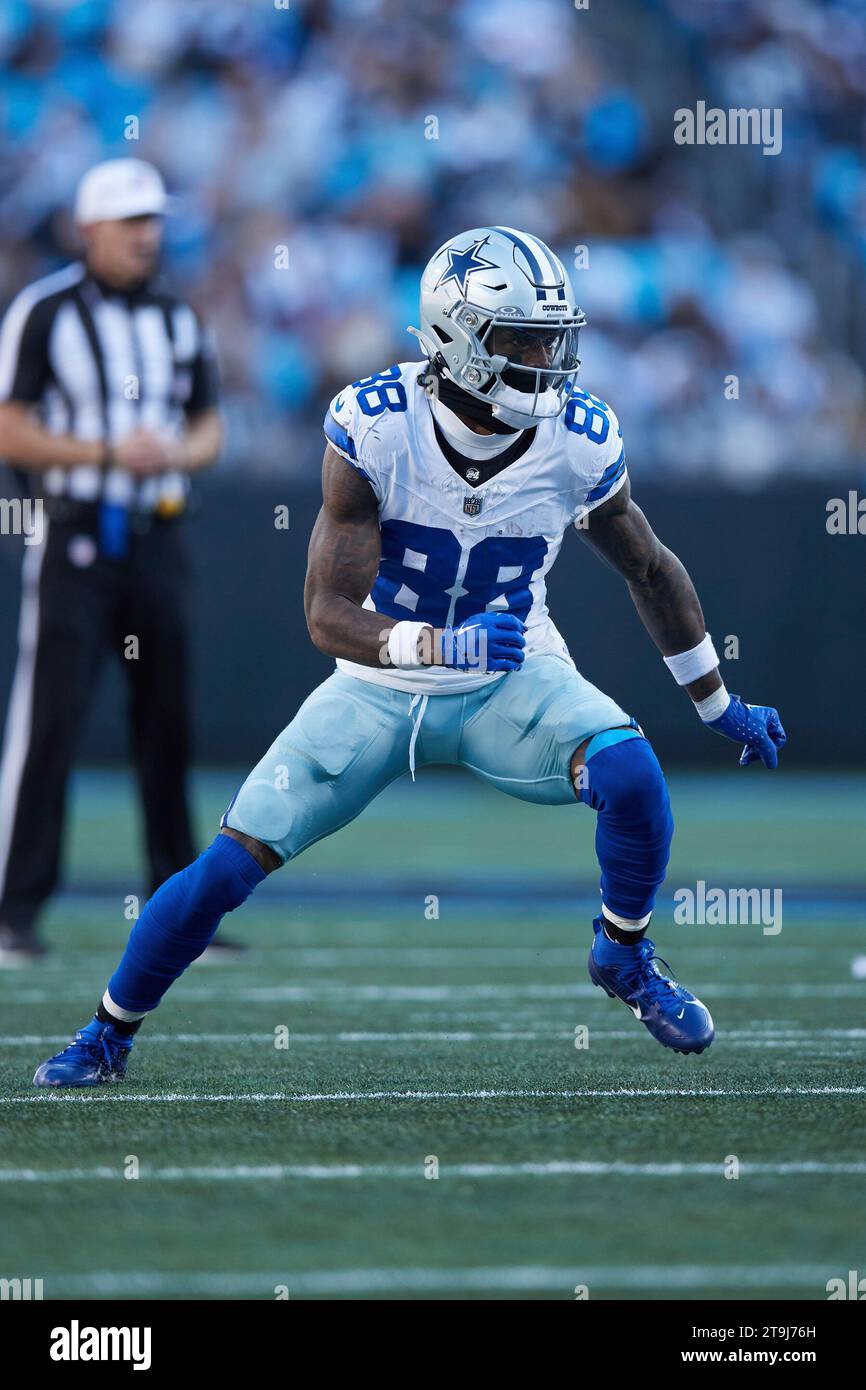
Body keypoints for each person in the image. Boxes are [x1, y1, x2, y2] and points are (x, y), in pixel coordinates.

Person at [31, 225, 785, 1086]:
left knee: (634, 777)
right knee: (223, 871)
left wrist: (715, 701)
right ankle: (108, 1032)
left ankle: (623, 952)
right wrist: (434, 642)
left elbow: (648, 567)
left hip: (512, 678)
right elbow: (325, 614)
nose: (549, 356)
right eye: (524, 339)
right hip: (379, 685)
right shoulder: (378, 425)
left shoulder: (578, 438)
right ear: (457, 339)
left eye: (554, 336)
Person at [0, 158, 226, 965]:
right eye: (131, 222)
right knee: (49, 721)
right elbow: (8, 427)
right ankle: (14, 909)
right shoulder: (46, 311)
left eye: (154, 220)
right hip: (74, 535)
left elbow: (209, 425)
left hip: (159, 535)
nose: (147, 236)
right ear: (89, 229)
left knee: (167, 724)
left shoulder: (177, 316)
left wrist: (172, 454)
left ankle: (180, 912)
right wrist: (104, 450)